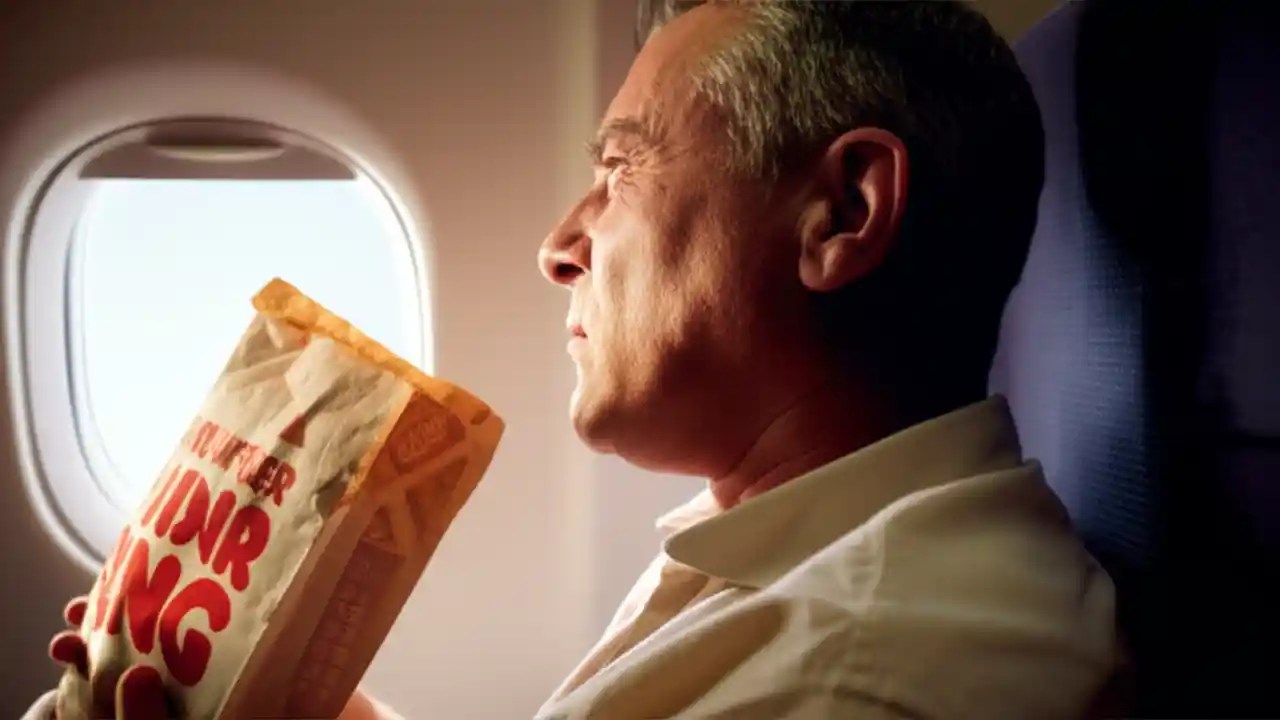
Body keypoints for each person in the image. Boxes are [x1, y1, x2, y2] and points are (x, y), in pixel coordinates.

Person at [28, 1, 1123, 717]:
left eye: (619, 171)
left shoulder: (858, 672)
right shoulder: (799, 549)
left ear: (840, 212)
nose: (559, 247)